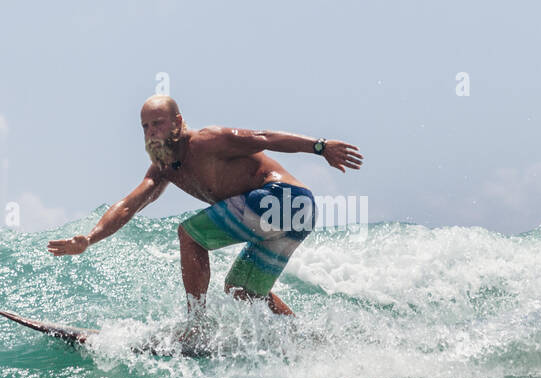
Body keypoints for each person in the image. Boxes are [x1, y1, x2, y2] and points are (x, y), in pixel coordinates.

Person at [47, 94, 363, 318]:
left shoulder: (207, 141)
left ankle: (196, 325)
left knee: (190, 234)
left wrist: (320, 147)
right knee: (241, 290)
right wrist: (89, 238)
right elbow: (130, 205)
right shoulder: (163, 170)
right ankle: (300, 340)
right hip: (297, 216)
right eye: (145, 127)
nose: (151, 132)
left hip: (285, 199)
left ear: (177, 122)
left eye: (157, 123)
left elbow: (264, 137)